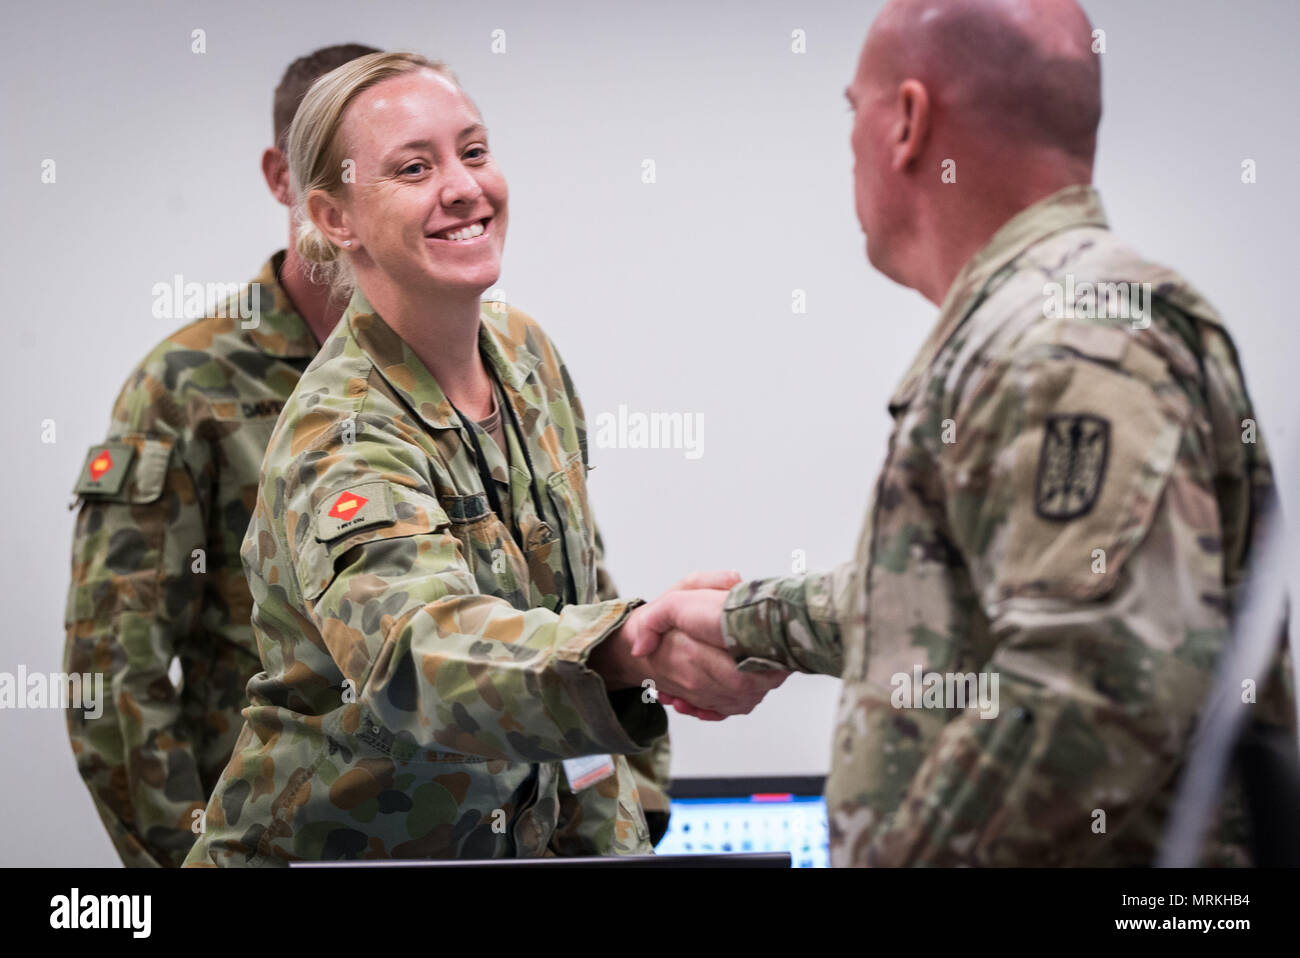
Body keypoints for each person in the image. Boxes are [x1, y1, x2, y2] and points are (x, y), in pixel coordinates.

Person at [627, 0, 1296, 866]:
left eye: (851, 109)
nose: (851, 142)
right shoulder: (1044, 325)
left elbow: (1093, 683)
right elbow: (955, 601)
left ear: (906, 121)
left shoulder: (1065, 339)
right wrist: (750, 624)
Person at [183, 52, 786, 866]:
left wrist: (627, 825)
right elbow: (419, 659)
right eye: (414, 167)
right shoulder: (343, 433)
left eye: (473, 152)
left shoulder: (522, 351)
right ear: (334, 217)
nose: (464, 187)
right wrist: (624, 646)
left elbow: (574, 592)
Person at [63, 44, 382, 868]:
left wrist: (623, 813)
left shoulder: (471, 371)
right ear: (285, 178)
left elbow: (564, 604)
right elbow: (110, 677)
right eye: (347, 165)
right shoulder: (187, 386)